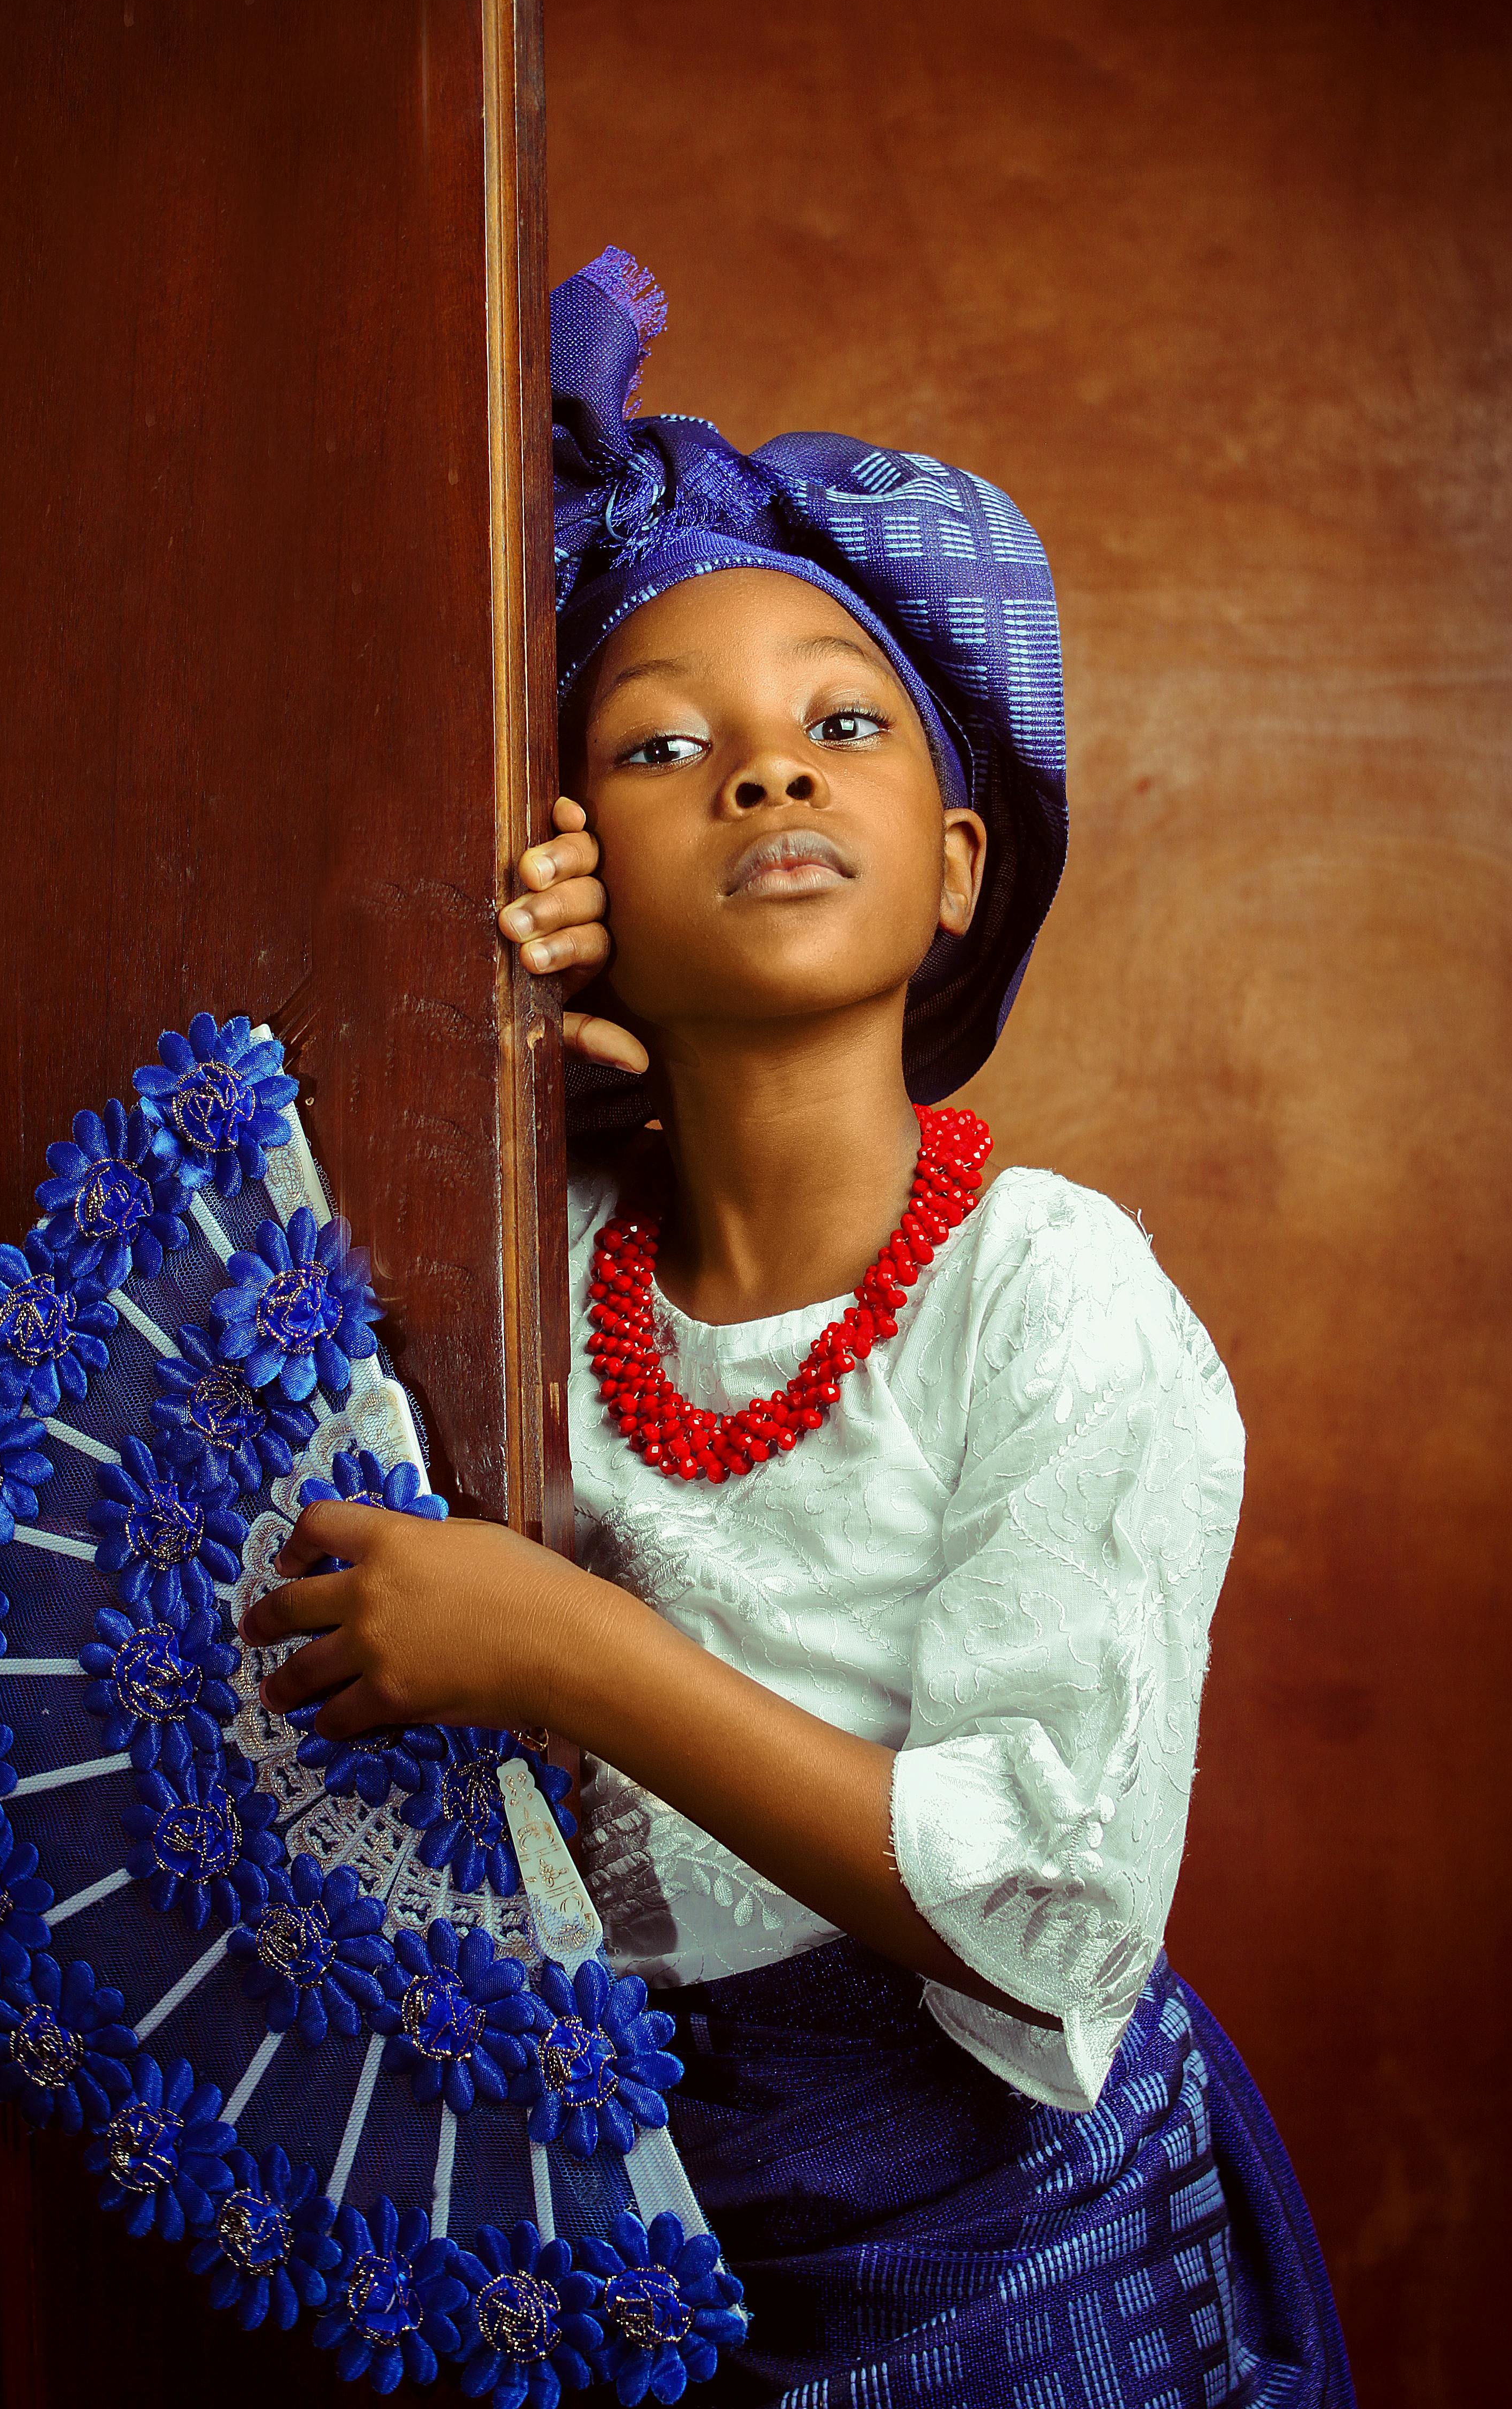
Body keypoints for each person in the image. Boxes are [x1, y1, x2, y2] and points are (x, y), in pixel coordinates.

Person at [241, 252, 1353, 2405]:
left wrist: (568, 1653)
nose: (763, 777)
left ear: (953, 866)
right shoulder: (514, 1252)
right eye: (663, 750)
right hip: (614, 2235)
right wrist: (477, 991)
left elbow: (1052, 1897)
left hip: (1002, 2253)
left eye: (839, 727)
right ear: (573, 864)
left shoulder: (1051, 1297)